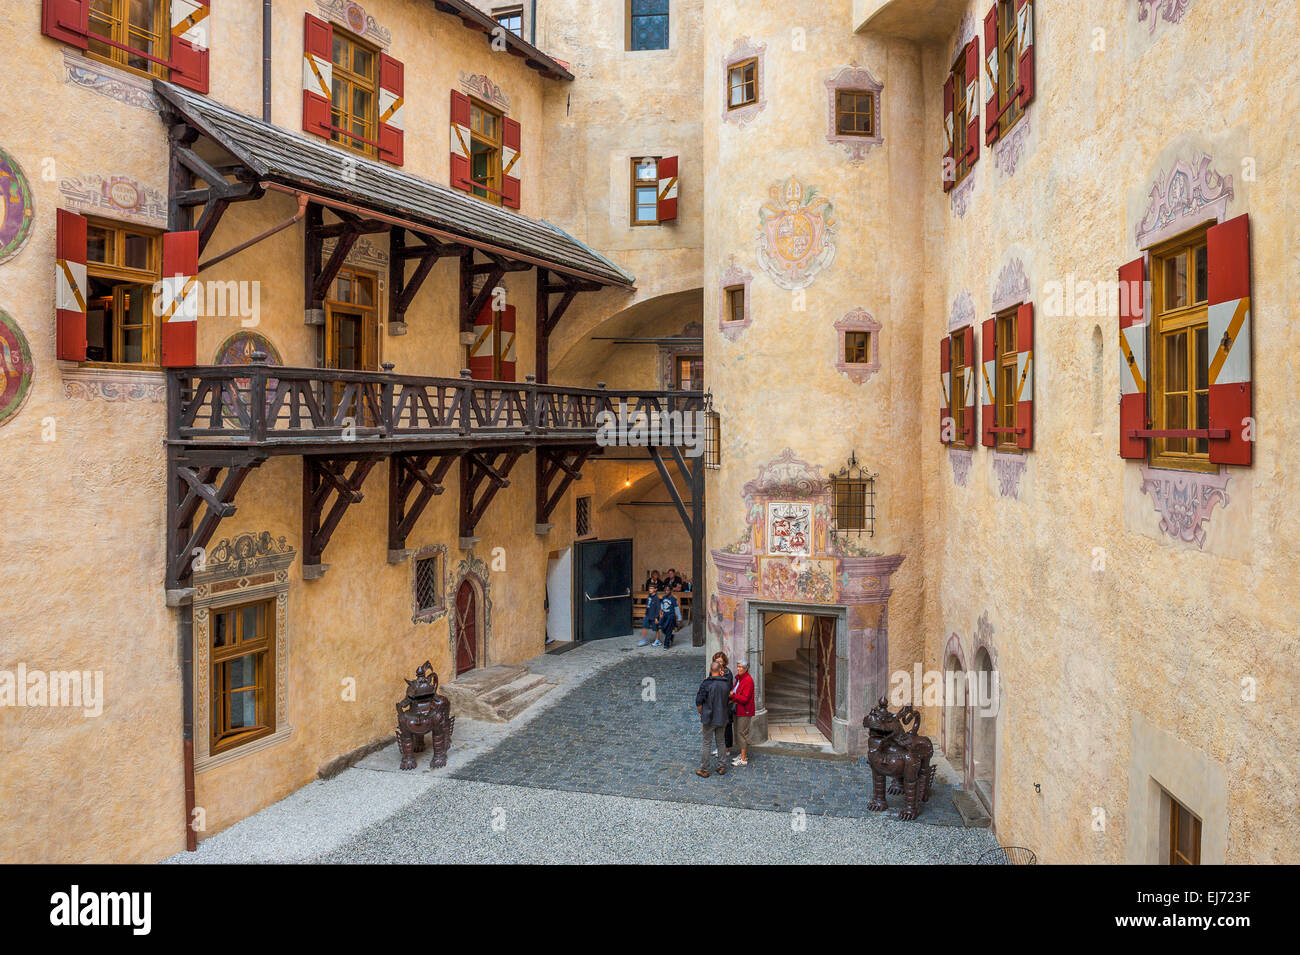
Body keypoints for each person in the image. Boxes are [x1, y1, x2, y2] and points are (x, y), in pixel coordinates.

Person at [695, 660, 731, 778]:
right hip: (722, 717)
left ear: (711, 670)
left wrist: (701, 711)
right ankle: (722, 766)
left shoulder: (706, 684)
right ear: (720, 670)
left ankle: (704, 769)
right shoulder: (726, 684)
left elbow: (699, 701)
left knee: (707, 743)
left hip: (710, 717)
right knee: (721, 742)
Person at [730, 660, 755, 767]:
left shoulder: (748, 680)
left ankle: (743, 759)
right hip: (738, 709)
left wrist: (732, 695)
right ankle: (742, 754)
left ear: (746, 669)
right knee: (738, 732)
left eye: (740, 667)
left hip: (745, 710)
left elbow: (744, 698)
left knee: (742, 734)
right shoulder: (739, 678)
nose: (738, 669)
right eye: (738, 666)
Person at [713, 651, 735, 754]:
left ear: (724, 662)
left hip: (725, 703)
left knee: (726, 726)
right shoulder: (713, 670)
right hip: (716, 702)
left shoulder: (727, 673)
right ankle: (720, 746)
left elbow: (727, 689)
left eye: (720, 661)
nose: (718, 663)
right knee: (718, 726)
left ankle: (726, 748)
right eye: (717, 661)